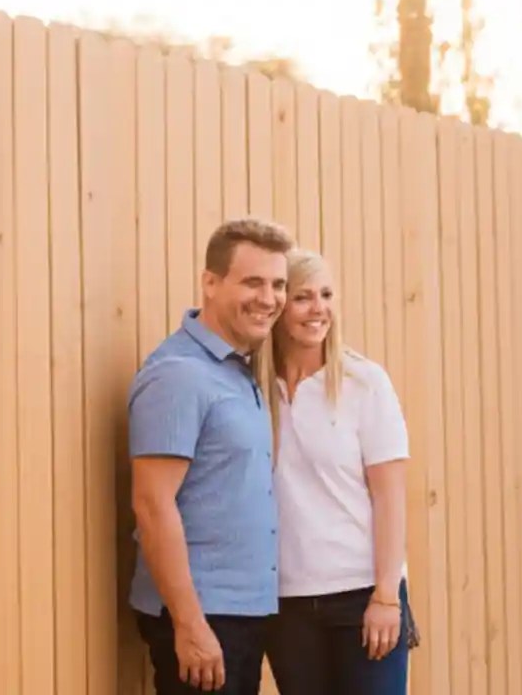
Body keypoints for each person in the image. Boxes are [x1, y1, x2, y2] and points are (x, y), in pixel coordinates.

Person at [128, 218, 294, 694]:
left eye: (278, 284)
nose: (269, 298)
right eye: (253, 282)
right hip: (204, 618)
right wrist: (191, 625)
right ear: (210, 283)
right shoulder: (180, 375)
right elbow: (152, 505)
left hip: (238, 616)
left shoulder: (235, 369)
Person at [257, 248, 417, 695]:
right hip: (285, 601)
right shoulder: (253, 387)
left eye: (326, 294)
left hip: (363, 594)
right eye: (303, 296)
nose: (318, 308)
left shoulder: (365, 383)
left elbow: (390, 497)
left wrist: (387, 596)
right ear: (280, 305)